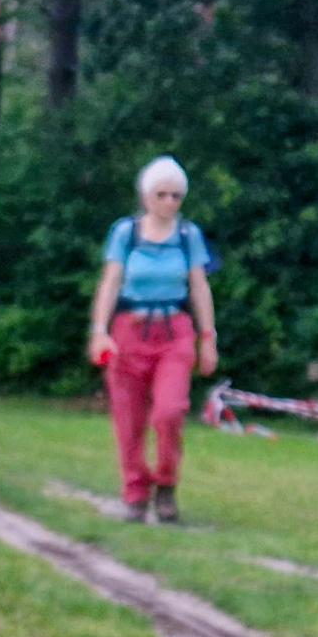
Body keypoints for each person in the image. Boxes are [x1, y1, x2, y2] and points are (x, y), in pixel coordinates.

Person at [87, 156, 218, 523]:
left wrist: (208, 337)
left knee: (169, 411)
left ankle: (166, 484)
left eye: (176, 196)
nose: (169, 202)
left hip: (174, 331)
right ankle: (135, 492)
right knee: (128, 418)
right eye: (161, 195)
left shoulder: (188, 236)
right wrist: (99, 332)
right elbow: (111, 281)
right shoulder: (125, 233)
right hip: (129, 331)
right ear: (146, 196)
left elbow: (199, 287)